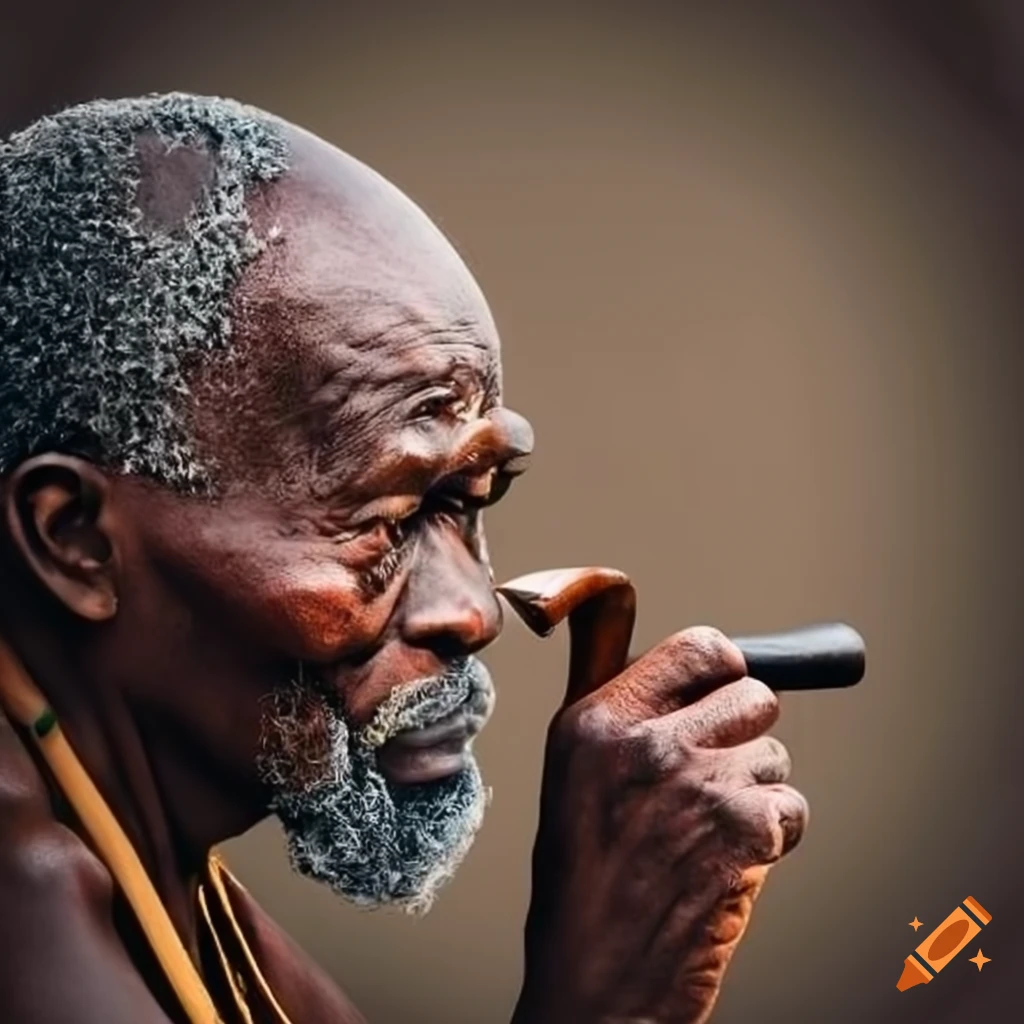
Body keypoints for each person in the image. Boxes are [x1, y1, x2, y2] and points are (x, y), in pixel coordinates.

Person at [0, 93, 808, 1024]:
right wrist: (604, 1003)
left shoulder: (181, 901)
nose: (472, 614)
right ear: (76, 541)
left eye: (470, 503)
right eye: (389, 516)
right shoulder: (24, 917)